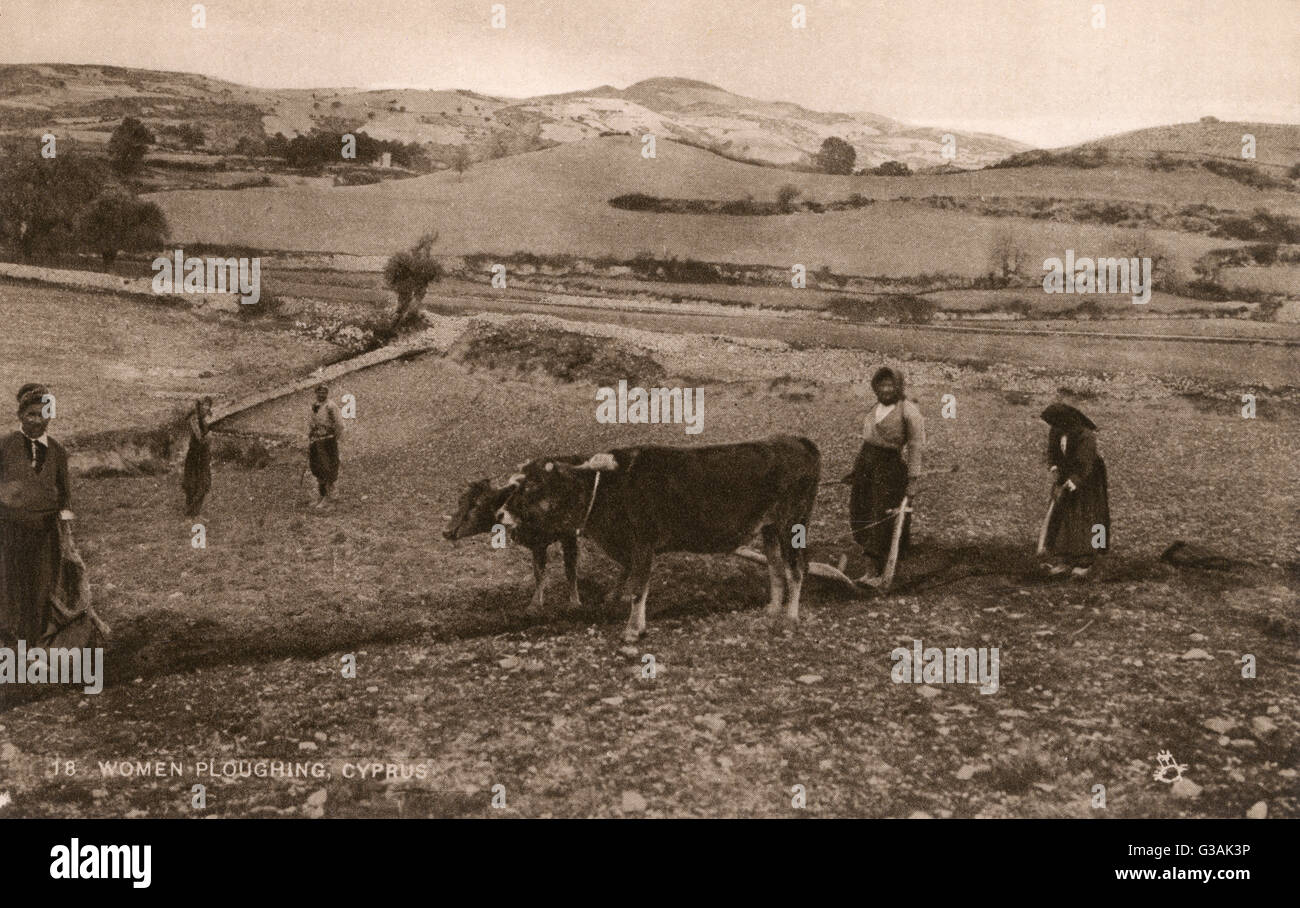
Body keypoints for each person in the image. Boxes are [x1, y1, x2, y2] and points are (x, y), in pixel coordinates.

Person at [0, 383, 74, 647]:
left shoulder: (56, 450)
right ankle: (8, 642)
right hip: (9, 530)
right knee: (9, 585)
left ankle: (34, 642)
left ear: (50, 417)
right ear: (20, 416)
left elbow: (64, 492)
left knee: (41, 588)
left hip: (44, 532)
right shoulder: (5, 445)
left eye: (42, 414)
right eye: (30, 414)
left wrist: (65, 521)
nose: (36, 421)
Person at [848, 367, 925, 585]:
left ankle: (875, 572)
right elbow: (868, 441)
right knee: (859, 510)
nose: (886, 389)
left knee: (879, 516)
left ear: (898, 387)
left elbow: (915, 447)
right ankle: (869, 568)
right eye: (882, 385)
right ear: (876, 387)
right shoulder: (875, 408)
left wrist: (912, 481)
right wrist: (856, 471)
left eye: (891, 385)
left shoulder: (909, 411)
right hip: (866, 464)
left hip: (889, 470)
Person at [1040, 402, 1110, 577]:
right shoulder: (1056, 431)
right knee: (1063, 517)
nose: (1053, 427)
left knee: (1088, 518)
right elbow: (1052, 453)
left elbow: (1085, 462)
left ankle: (1088, 559)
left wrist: (1073, 482)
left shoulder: (1085, 435)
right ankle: (1065, 558)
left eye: (1055, 423)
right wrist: (1055, 469)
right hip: (1066, 476)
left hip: (1089, 482)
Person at [307, 383, 342, 507]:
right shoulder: (315, 406)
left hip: (328, 441)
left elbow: (339, 425)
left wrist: (333, 439)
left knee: (328, 468)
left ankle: (329, 497)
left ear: (327, 393)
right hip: (316, 441)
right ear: (316, 393)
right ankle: (321, 496)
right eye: (319, 392)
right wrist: (311, 435)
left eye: (324, 392)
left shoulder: (331, 406)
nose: (322, 394)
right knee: (317, 468)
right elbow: (312, 423)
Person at [181, 396, 213, 517]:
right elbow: (200, 438)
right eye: (204, 405)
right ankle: (190, 512)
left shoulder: (205, 419)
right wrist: (209, 436)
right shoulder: (194, 419)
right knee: (192, 483)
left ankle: (194, 512)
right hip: (195, 455)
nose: (206, 408)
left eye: (208, 406)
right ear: (199, 406)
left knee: (203, 483)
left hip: (203, 455)